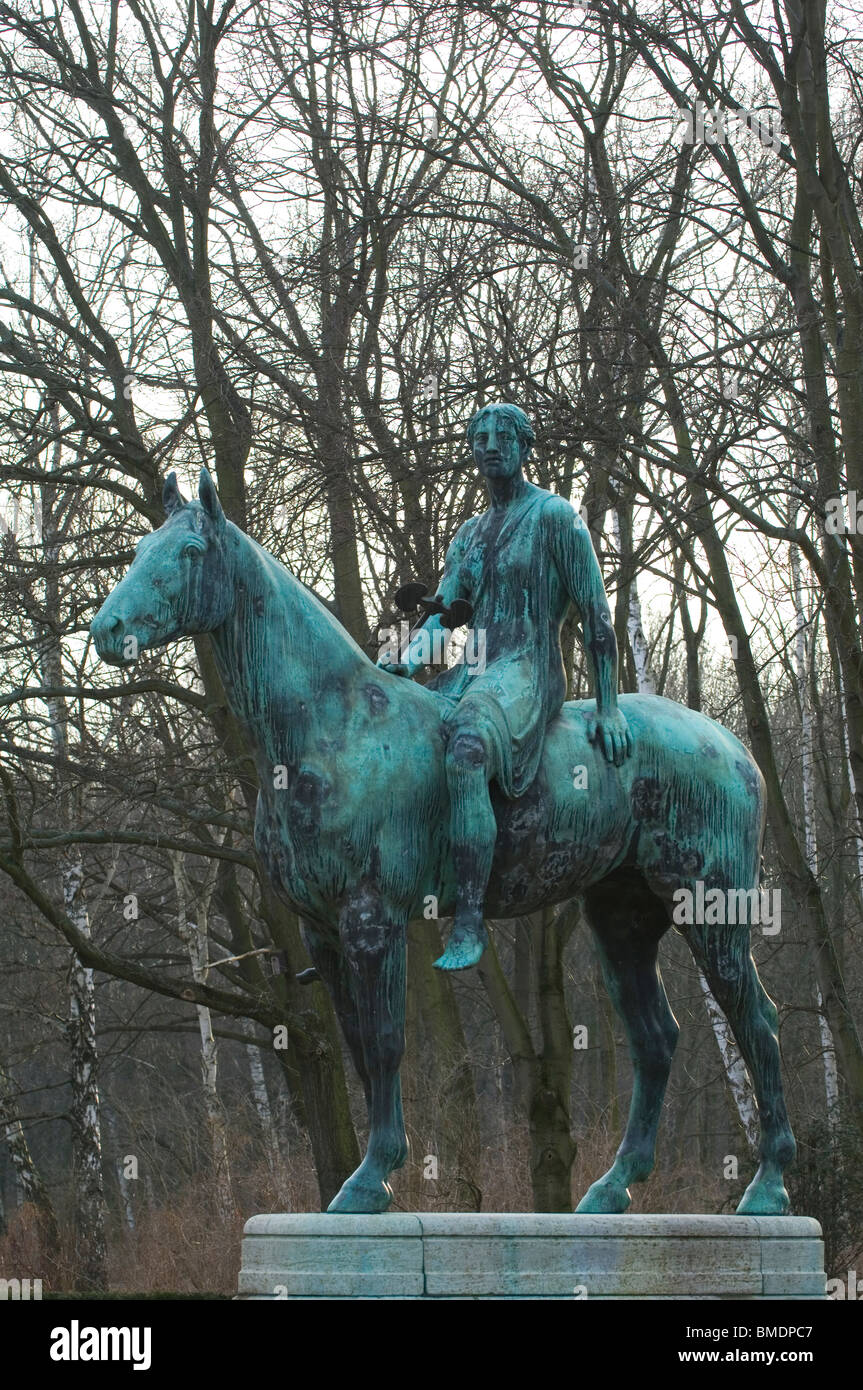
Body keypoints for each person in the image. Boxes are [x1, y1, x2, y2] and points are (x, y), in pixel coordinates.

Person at [378, 402, 632, 969]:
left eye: (503, 436)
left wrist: (610, 705)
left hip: (528, 671)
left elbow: (597, 613)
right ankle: (371, 896)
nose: (491, 445)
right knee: (393, 730)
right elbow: (441, 615)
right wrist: (406, 664)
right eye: (480, 437)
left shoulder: (556, 517)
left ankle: (469, 919)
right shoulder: (469, 534)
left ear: (524, 446)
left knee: (467, 748)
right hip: (474, 670)